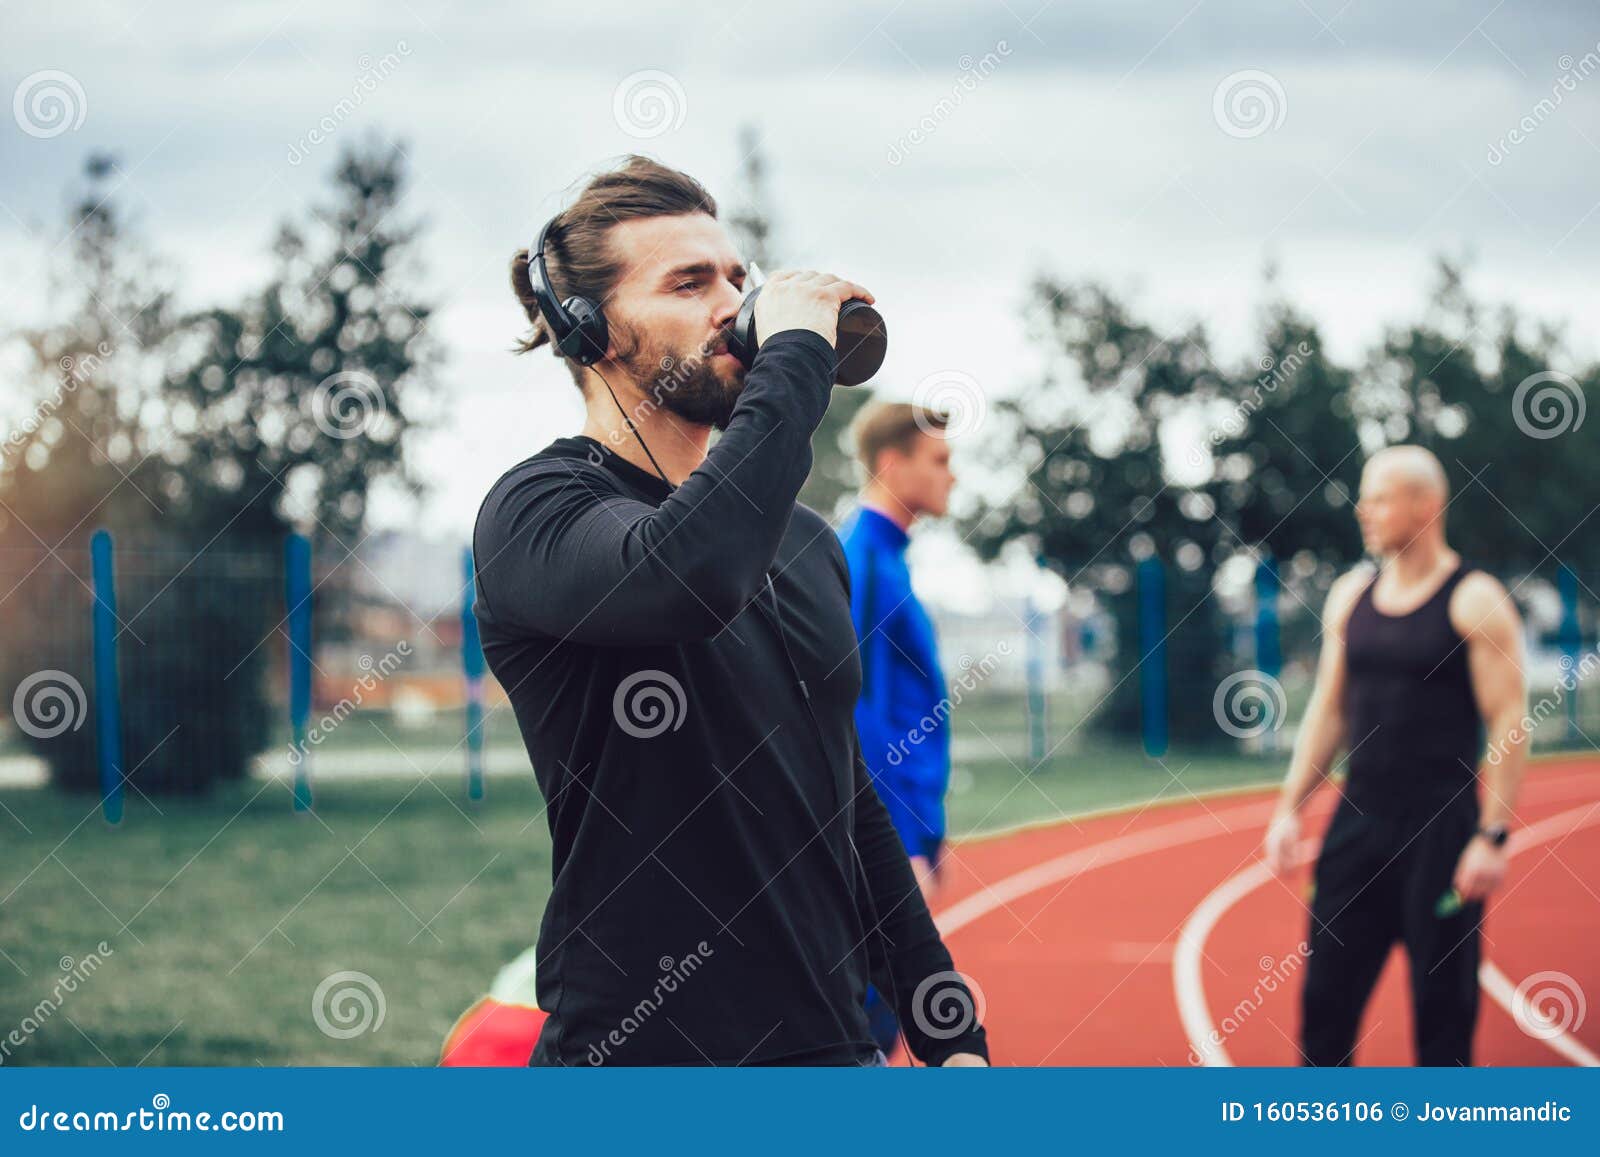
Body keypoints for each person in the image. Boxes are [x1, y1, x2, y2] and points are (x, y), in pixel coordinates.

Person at [472, 156, 987, 1067]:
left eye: (737, 281)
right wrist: (794, 356)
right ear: (593, 332)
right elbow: (687, 576)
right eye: (688, 282)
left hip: (832, 1057)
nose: (731, 304)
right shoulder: (538, 511)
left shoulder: (804, 543)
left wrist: (948, 1030)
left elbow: (849, 799)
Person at [1262, 445, 1528, 1066]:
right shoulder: (1350, 595)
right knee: (1325, 1004)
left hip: (1442, 830)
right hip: (1357, 825)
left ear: (1426, 505)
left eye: (1379, 498)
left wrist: (1492, 835)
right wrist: (1288, 808)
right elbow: (1328, 710)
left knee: (1442, 1014)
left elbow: (1511, 721)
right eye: (1365, 497)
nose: (1364, 511)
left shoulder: (1473, 598)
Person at [838, 402, 960, 1055]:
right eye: (938, 460)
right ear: (892, 464)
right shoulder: (858, 558)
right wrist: (900, 842)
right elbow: (854, 711)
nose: (953, 476)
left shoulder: (888, 556)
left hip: (906, 817)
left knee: (887, 1025)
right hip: (885, 827)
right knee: (871, 1028)